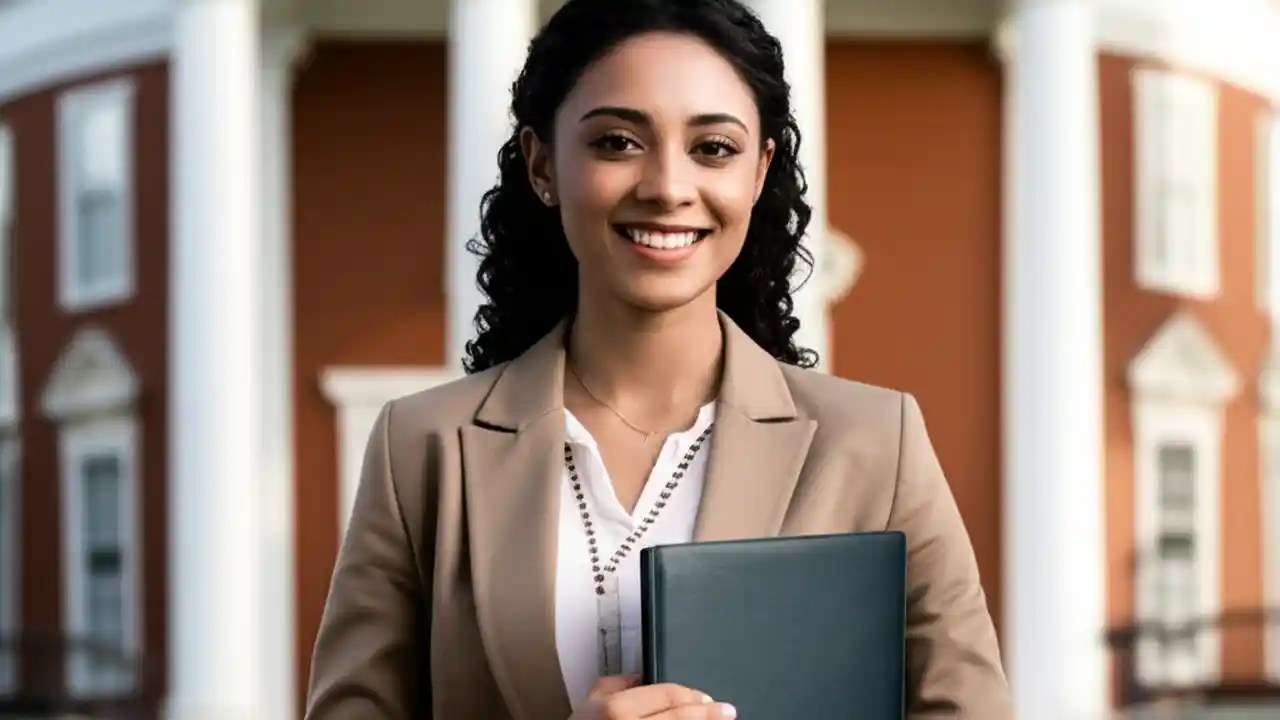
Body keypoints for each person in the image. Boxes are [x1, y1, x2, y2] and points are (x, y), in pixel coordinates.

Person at [305, 0, 1012, 717]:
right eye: (617, 142)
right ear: (542, 163)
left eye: (713, 148)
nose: (669, 188)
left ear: (760, 170)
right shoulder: (421, 448)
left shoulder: (873, 442)